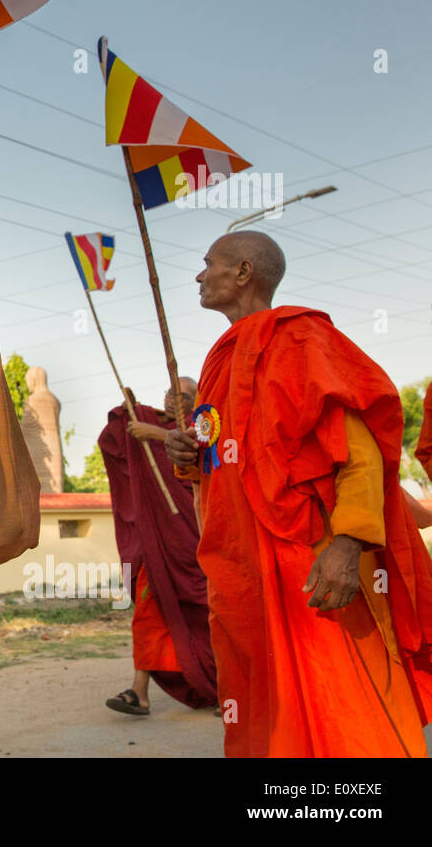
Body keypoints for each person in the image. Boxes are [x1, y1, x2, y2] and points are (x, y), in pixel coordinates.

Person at [164, 231, 432, 757]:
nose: (198, 275)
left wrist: (348, 543)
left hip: (306, 558)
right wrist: (191, 456)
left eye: (208, 263)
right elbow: (228, 455)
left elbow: (360, 453)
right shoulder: (221, 359)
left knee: (338, 697)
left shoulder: (302, 340)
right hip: (243, 564)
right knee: (267, 699)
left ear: (243, 272)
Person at [100, 378, 217, 716]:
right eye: (169, 393)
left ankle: (227, 687)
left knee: (210, 616)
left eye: (183, 397)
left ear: (197, 402)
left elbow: (198, 458)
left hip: (196, 543)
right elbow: (119, 442)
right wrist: (130, 413)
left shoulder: (205, 428)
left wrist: (152, 433)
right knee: (148, 614)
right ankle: (139, 692)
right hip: (159, 543)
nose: (172, 401)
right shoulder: (152, 422)